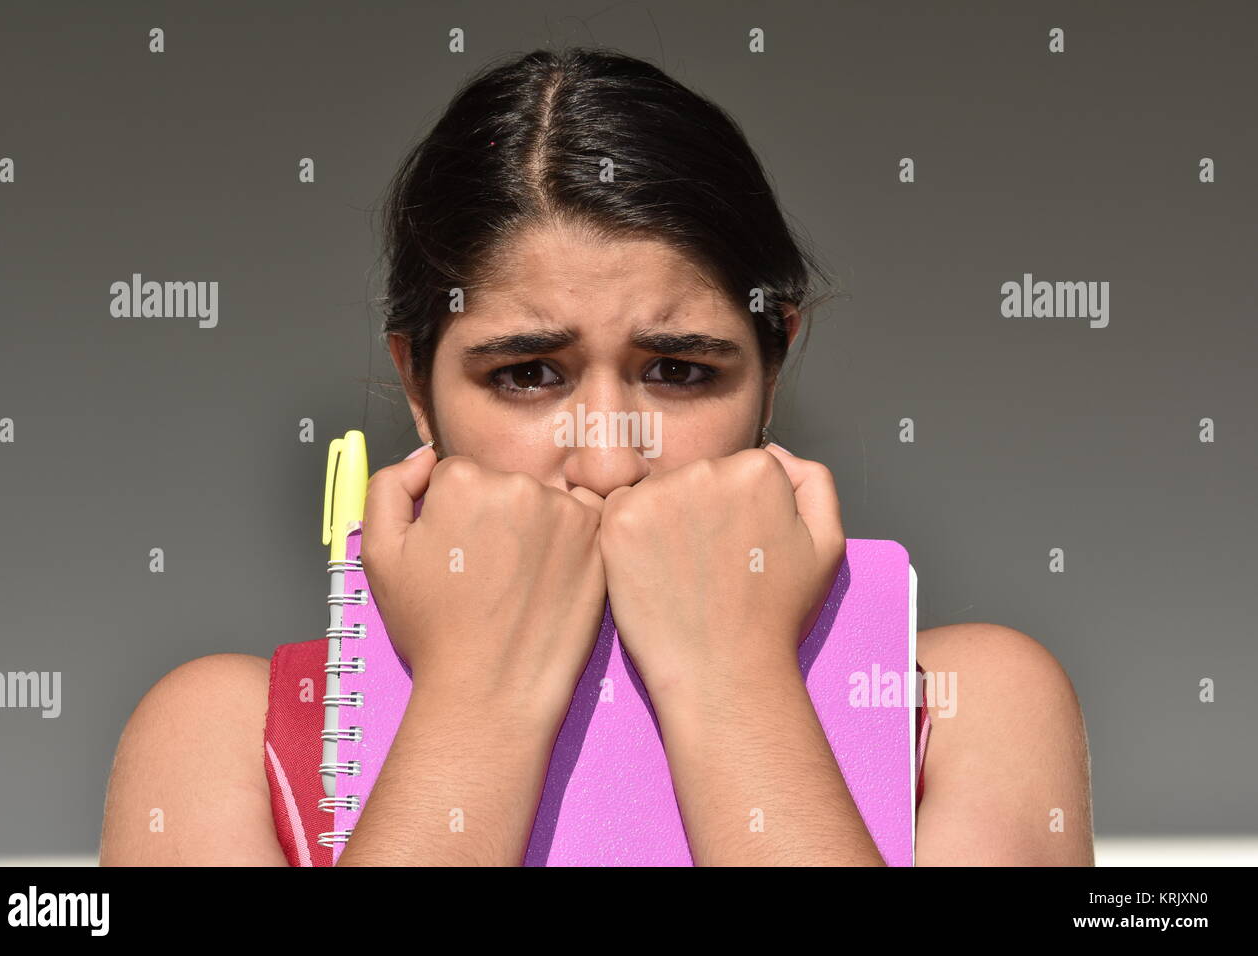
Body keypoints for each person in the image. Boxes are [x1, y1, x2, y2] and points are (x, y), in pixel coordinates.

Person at [99, 46, 1093, 866]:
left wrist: (733, 682)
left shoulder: (964, 705)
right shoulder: (225, 734)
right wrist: (476, 700)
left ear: (772, 367)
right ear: (417, 384)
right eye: (529, 374)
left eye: (679, 370)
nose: (611, 464)